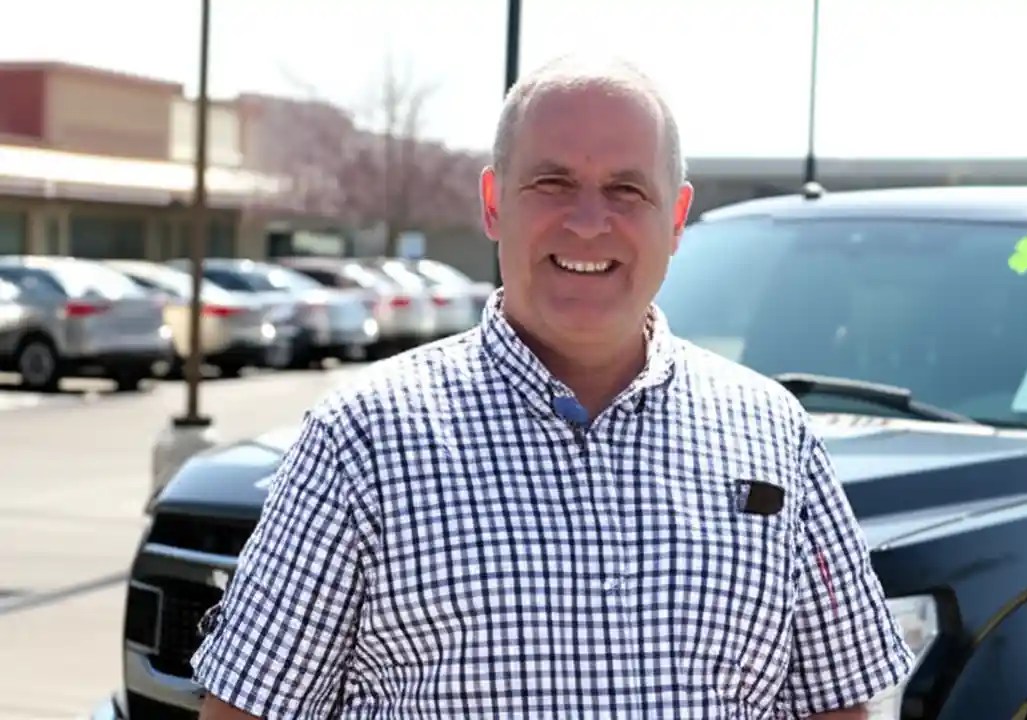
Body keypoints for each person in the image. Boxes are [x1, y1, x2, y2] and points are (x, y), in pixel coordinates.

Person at [193, 54, 914, 719]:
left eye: (626, 190)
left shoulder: (772, 435)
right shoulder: (362, 438)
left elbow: (840, 702)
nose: (589, 221)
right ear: (493, 201)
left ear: (676, 218)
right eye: (552, 182)